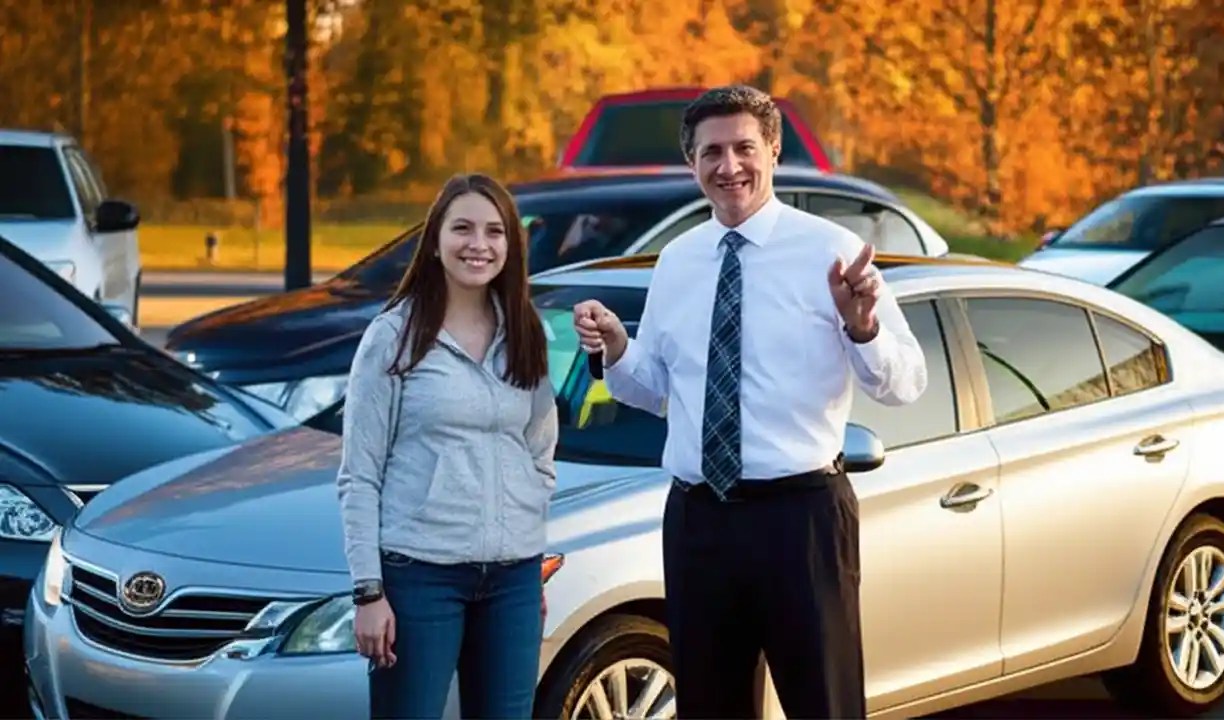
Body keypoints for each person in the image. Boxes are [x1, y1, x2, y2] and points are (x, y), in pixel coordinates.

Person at [573, 85, 927, 719]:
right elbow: (655, 393)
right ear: (693, 164)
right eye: (712, 152)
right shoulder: (678, 262)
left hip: (801, 520)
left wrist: (863, 328)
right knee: (710, 707)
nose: (728, 166)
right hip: (698, 522)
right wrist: (620, 350)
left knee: (824, 703)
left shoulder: (832, 253)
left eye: (744, 147)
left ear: (773, 149)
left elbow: (904, 386)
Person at [336, 173, 558, 719]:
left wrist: (525, 553)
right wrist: (368, 593)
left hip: (512, 581)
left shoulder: (525, 331)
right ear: (435, 241)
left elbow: (540, 452)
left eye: (494, 232)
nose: (478, 245)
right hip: (420, 577)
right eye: (462, 228)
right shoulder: (394, 337)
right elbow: (359, 475)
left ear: (510, 245)